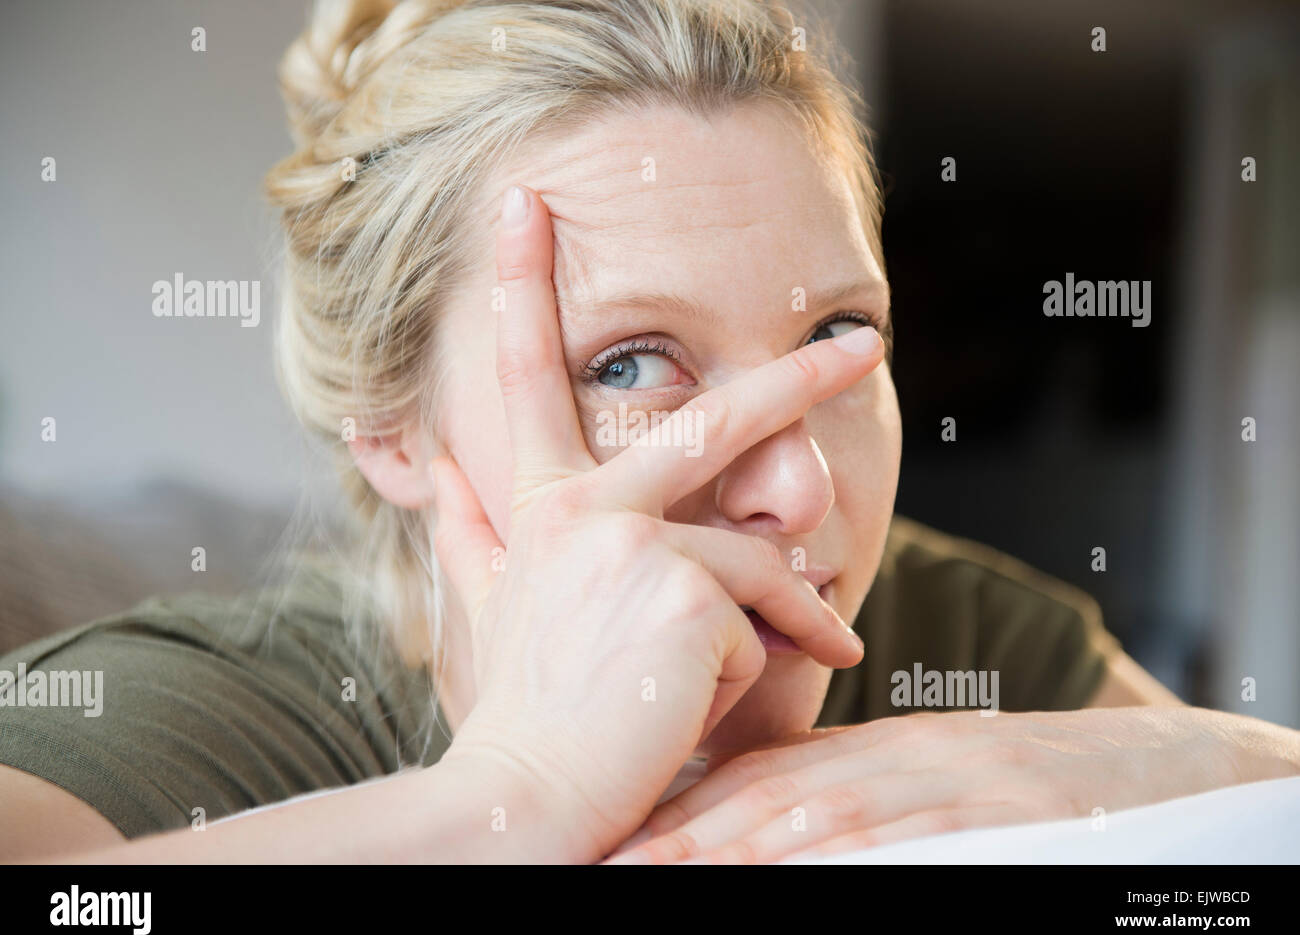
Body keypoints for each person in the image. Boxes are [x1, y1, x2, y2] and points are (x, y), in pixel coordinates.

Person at [2, 0, 1296, 865]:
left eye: (835, 345)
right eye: (631, 362)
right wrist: (517, 792)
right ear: (392, 429)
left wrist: (1163, 755)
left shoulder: (955, 626)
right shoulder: (223, 707)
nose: (798, 487)